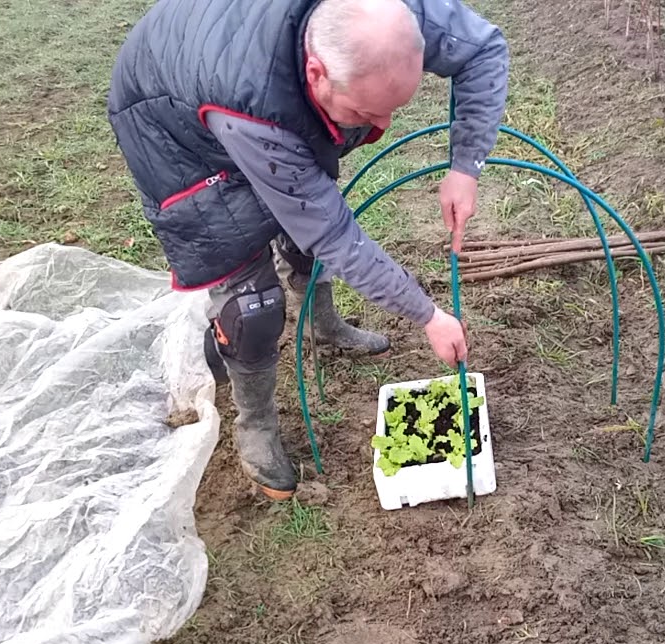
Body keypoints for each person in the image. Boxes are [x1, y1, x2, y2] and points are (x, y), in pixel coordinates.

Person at [107, 0, 509, 500]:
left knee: (301, 226)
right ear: (317, 72)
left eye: (391, 109)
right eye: (365, 111)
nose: (381, 123)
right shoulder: (249, 103)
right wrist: (428, 315)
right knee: (251, 304)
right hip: (172, 127)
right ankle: (254, 427)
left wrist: (465, 165)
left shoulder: (386, 17)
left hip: (253, 86)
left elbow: (484, 48)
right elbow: (334, 235)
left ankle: (323, 325)